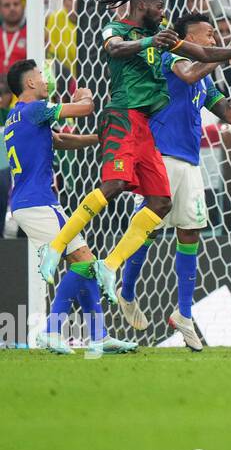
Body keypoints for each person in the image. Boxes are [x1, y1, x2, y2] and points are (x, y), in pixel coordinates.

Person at [36, 0, 231, 297]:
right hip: (123, 115)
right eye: (159, 6)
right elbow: (114, 49)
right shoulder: (117, 28)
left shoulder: (165, 36)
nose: (163, 12)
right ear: (142, 6)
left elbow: (203, 55)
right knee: (114, 185)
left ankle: (109, 265)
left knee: (160, 203)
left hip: (145, 129)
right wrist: (153, 40)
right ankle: (55, 247)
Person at [115, 13, 231, 350]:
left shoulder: (204, 80)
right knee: (148, 228)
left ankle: (184, 314)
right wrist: (227, 49)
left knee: (190, 231)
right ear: (185, 36)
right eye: (207, 35)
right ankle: (127, 291)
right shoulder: (170, 59)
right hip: (157, 156)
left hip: (190, 162)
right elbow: (190, 74)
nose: (211, 40)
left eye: (213, 35)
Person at [6, 61, 135, 355]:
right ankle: (51, 330)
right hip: (39, 201)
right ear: (29, 84)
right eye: (40, 76)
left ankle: (99, 337)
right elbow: (85, 109)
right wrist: (84, 94)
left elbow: (60, 140)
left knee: (86, 262)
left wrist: (99, 141)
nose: (44, 80)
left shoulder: (17, 116)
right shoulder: (36, 109)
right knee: (83, 260)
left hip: (28, 202)